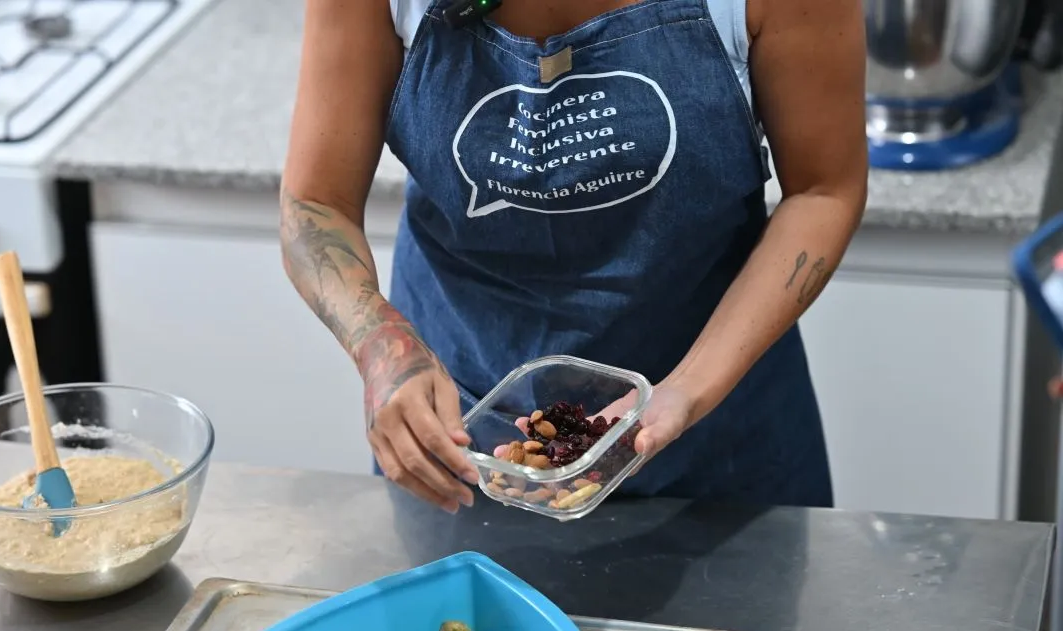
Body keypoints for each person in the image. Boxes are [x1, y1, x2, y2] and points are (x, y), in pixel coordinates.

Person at [280, 0, 868, 514]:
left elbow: (823, 190)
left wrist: (687, 390)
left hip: (715, 431)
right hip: (466, 443)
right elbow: (316, 203)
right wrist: (384, 350)